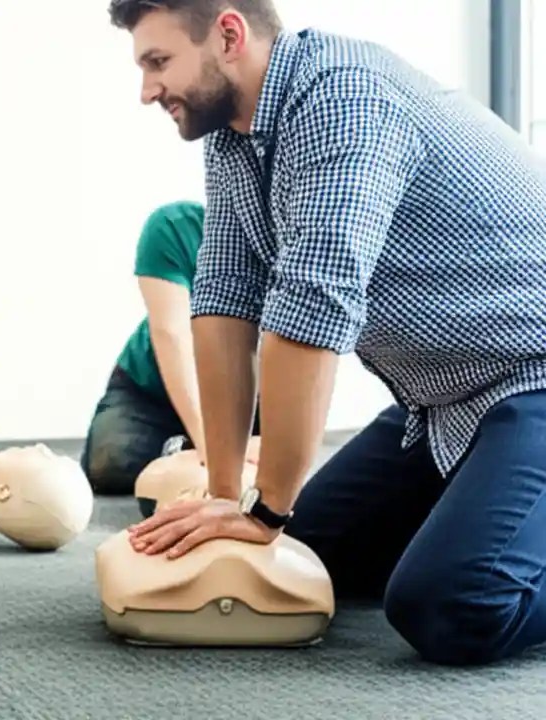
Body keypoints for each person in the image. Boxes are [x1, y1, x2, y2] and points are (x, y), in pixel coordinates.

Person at [110, 0, 546, 667]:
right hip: (442, 406)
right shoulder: (234, 139)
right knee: (308, 551)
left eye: (158, 62)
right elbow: (225, 304)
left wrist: (266, 511)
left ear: (228, 34)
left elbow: (314, 304)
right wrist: (229, 500)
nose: (146, 91)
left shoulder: (343, 99)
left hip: (533, 379)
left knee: (454, 604)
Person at [81, 201, 209, 495]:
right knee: (110, 465)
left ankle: (184, 449)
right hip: (150, 389)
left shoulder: (303, 251)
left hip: (246, 399)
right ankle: (190, 447)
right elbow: (172, 334)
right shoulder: (175, 225)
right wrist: (211, 445)